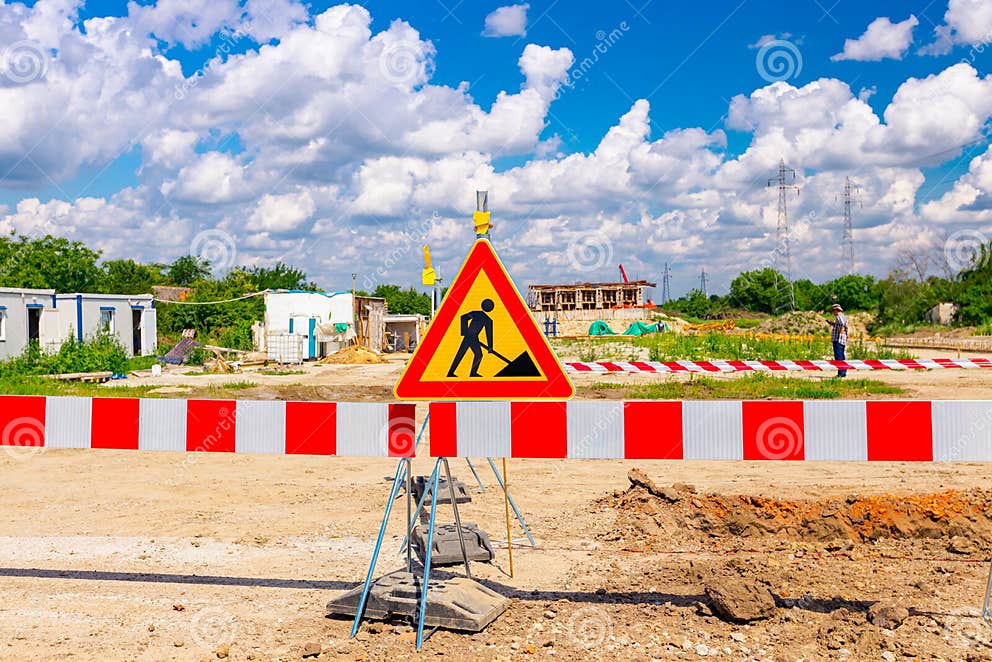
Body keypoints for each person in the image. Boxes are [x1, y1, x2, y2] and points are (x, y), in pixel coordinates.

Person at [446, 299, 495, 378]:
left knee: (461, 354)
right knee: (478, 355)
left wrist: (465, 332)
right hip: (472, 337)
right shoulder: (486, 318)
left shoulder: (479, 315)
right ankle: (472, 373)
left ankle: (451, 373)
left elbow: (489, 333)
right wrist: (490, 347)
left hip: (471, 337)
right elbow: (463, 317)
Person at [824, 303, 849, 378]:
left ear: (836, 310)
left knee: (838, 357)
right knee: (841, 356)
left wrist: (840, 329)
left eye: (833, 310)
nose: (832, 312)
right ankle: (843, 372)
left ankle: (841, 373)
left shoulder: (839, 316)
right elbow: (840, 324)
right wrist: (831, 323)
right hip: (842, 339)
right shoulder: (844, 316)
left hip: (838, 339)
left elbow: (841, 323)